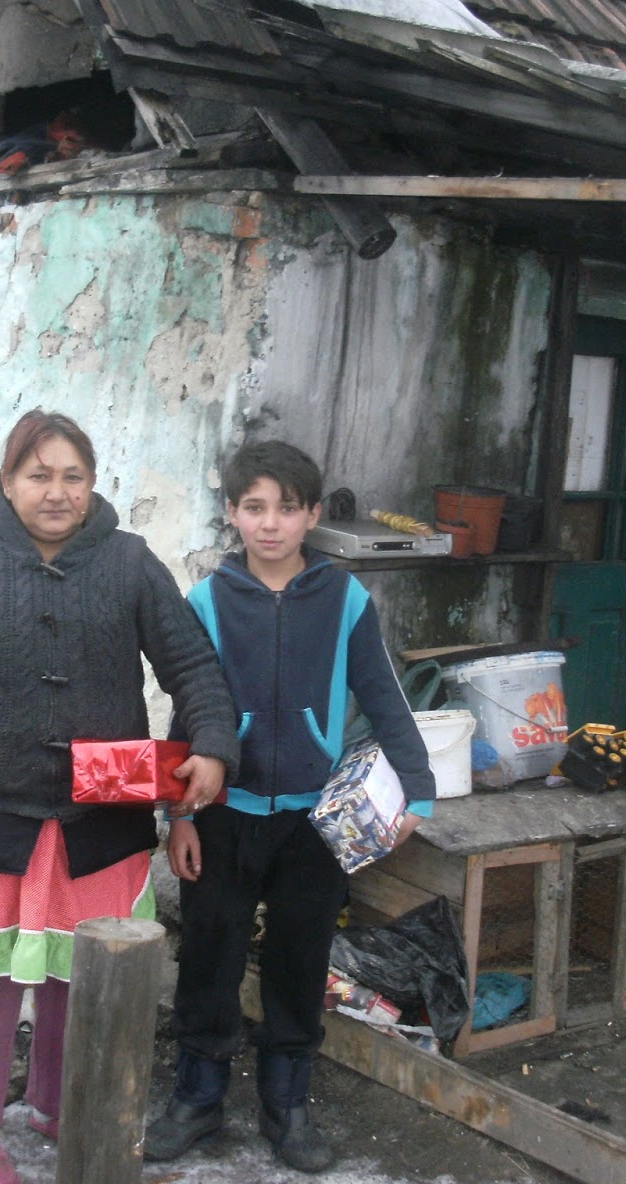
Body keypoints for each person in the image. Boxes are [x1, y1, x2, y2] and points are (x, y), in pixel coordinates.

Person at [0, 409, 239, 1184]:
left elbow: (191, 663)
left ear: (92, 483)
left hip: (102, 809)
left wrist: (214, 745)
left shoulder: (129, 562)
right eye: (39, 475)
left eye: (73, 476)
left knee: (81, 972)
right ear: (7, 481)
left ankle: (64, 1102)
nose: (57, 492)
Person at [145, 440, 435, 1173]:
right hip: (222, 811)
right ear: (232, 513)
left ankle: (287, 1105)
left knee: (300, 960)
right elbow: (188, 711)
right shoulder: (207, 602)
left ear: (312, 515)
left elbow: (384, 697)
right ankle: (197, 1098)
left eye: (286, 508)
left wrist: (420, 790)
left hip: (316, 821)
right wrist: (181, 816)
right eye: (254, 507)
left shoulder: (346, 601)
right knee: (209, 955)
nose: (269, 523)